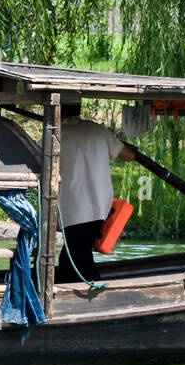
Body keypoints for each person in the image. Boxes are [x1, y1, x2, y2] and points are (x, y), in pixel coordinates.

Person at [56, 104, 136, 282]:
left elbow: (36, 159)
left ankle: (97, 290)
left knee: (79, 257)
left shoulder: (55, 135)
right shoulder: (98, 130)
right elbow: (129, 155)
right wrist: (124, 145)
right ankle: (63, 284)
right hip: (99, 206)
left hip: (72, 209)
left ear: (58, 111)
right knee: (70, 257)